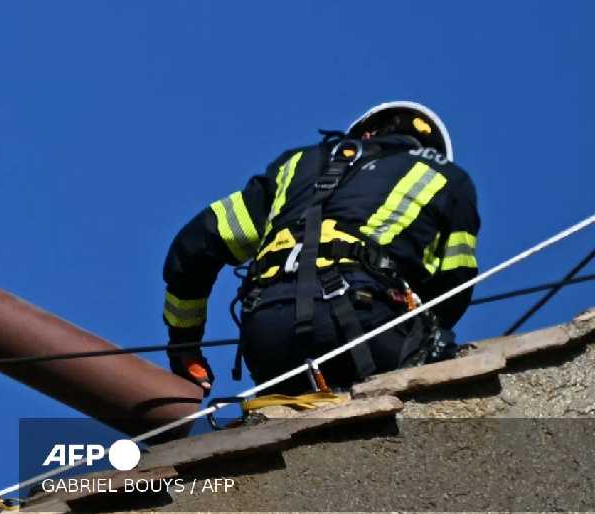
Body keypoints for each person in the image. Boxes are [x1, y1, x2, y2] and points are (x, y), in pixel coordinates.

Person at [161, 101, 480, 395]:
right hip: (366, 324)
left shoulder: (296, 164)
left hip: (266, 331)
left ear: (364, 134)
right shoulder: (448, 178)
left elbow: (194, 246)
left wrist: (183, 344)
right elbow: (456, 283)